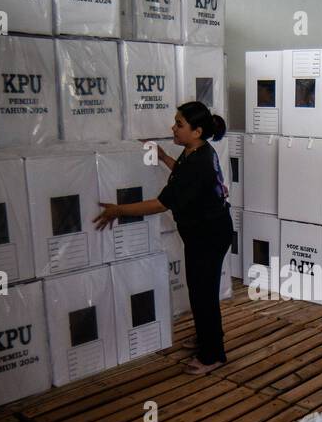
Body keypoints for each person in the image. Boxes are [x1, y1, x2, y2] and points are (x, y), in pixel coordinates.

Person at [94, 101, 234, 375]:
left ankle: (213, 354)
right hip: (205, 235)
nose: (174, 127)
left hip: (209, 237)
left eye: (179, 124)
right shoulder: (196, 151)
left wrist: (117, 210)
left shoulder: (199, 161)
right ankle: (206, 339)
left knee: (203, 295)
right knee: (200, 291)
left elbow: (161, 204)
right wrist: (162, 155)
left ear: (197, 131)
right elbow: (181, 175)